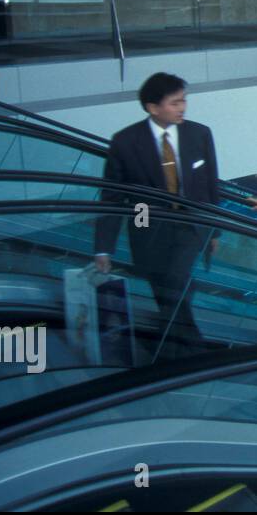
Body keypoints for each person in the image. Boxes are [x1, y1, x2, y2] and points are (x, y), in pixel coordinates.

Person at [93, 72, 219, 359]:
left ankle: (194, 351)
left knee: (175, 281)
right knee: (164, 291)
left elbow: (211, 184)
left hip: (190, 226)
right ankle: (175, 347)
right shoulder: (125, 142)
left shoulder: (199, 134)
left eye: (184, 101)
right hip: (148, 231)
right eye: (175, 103)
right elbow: (112, 198)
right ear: (153, 107)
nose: (183, 108)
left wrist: (216, 230)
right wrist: (103, 247)